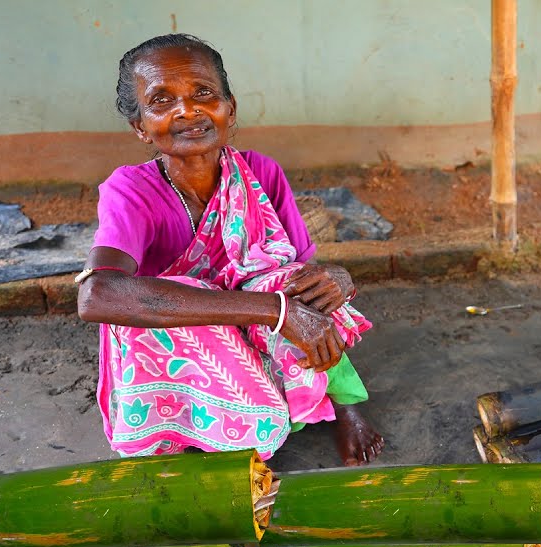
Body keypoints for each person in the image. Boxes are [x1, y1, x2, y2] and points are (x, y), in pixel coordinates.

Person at [77, 34, 385, 465]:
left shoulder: (261, 172)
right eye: (162, 101)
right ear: (140, 127)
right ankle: (186, 428)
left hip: (249, 320)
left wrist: (339, 280)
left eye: (203, 93)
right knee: (147, 308)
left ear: (230, 108)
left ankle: (342, 404)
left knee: (302, 287)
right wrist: (273, 311)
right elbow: (98, 295)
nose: (187, 110)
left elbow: (301, 270)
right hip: (185, 339)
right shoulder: (130, 190)